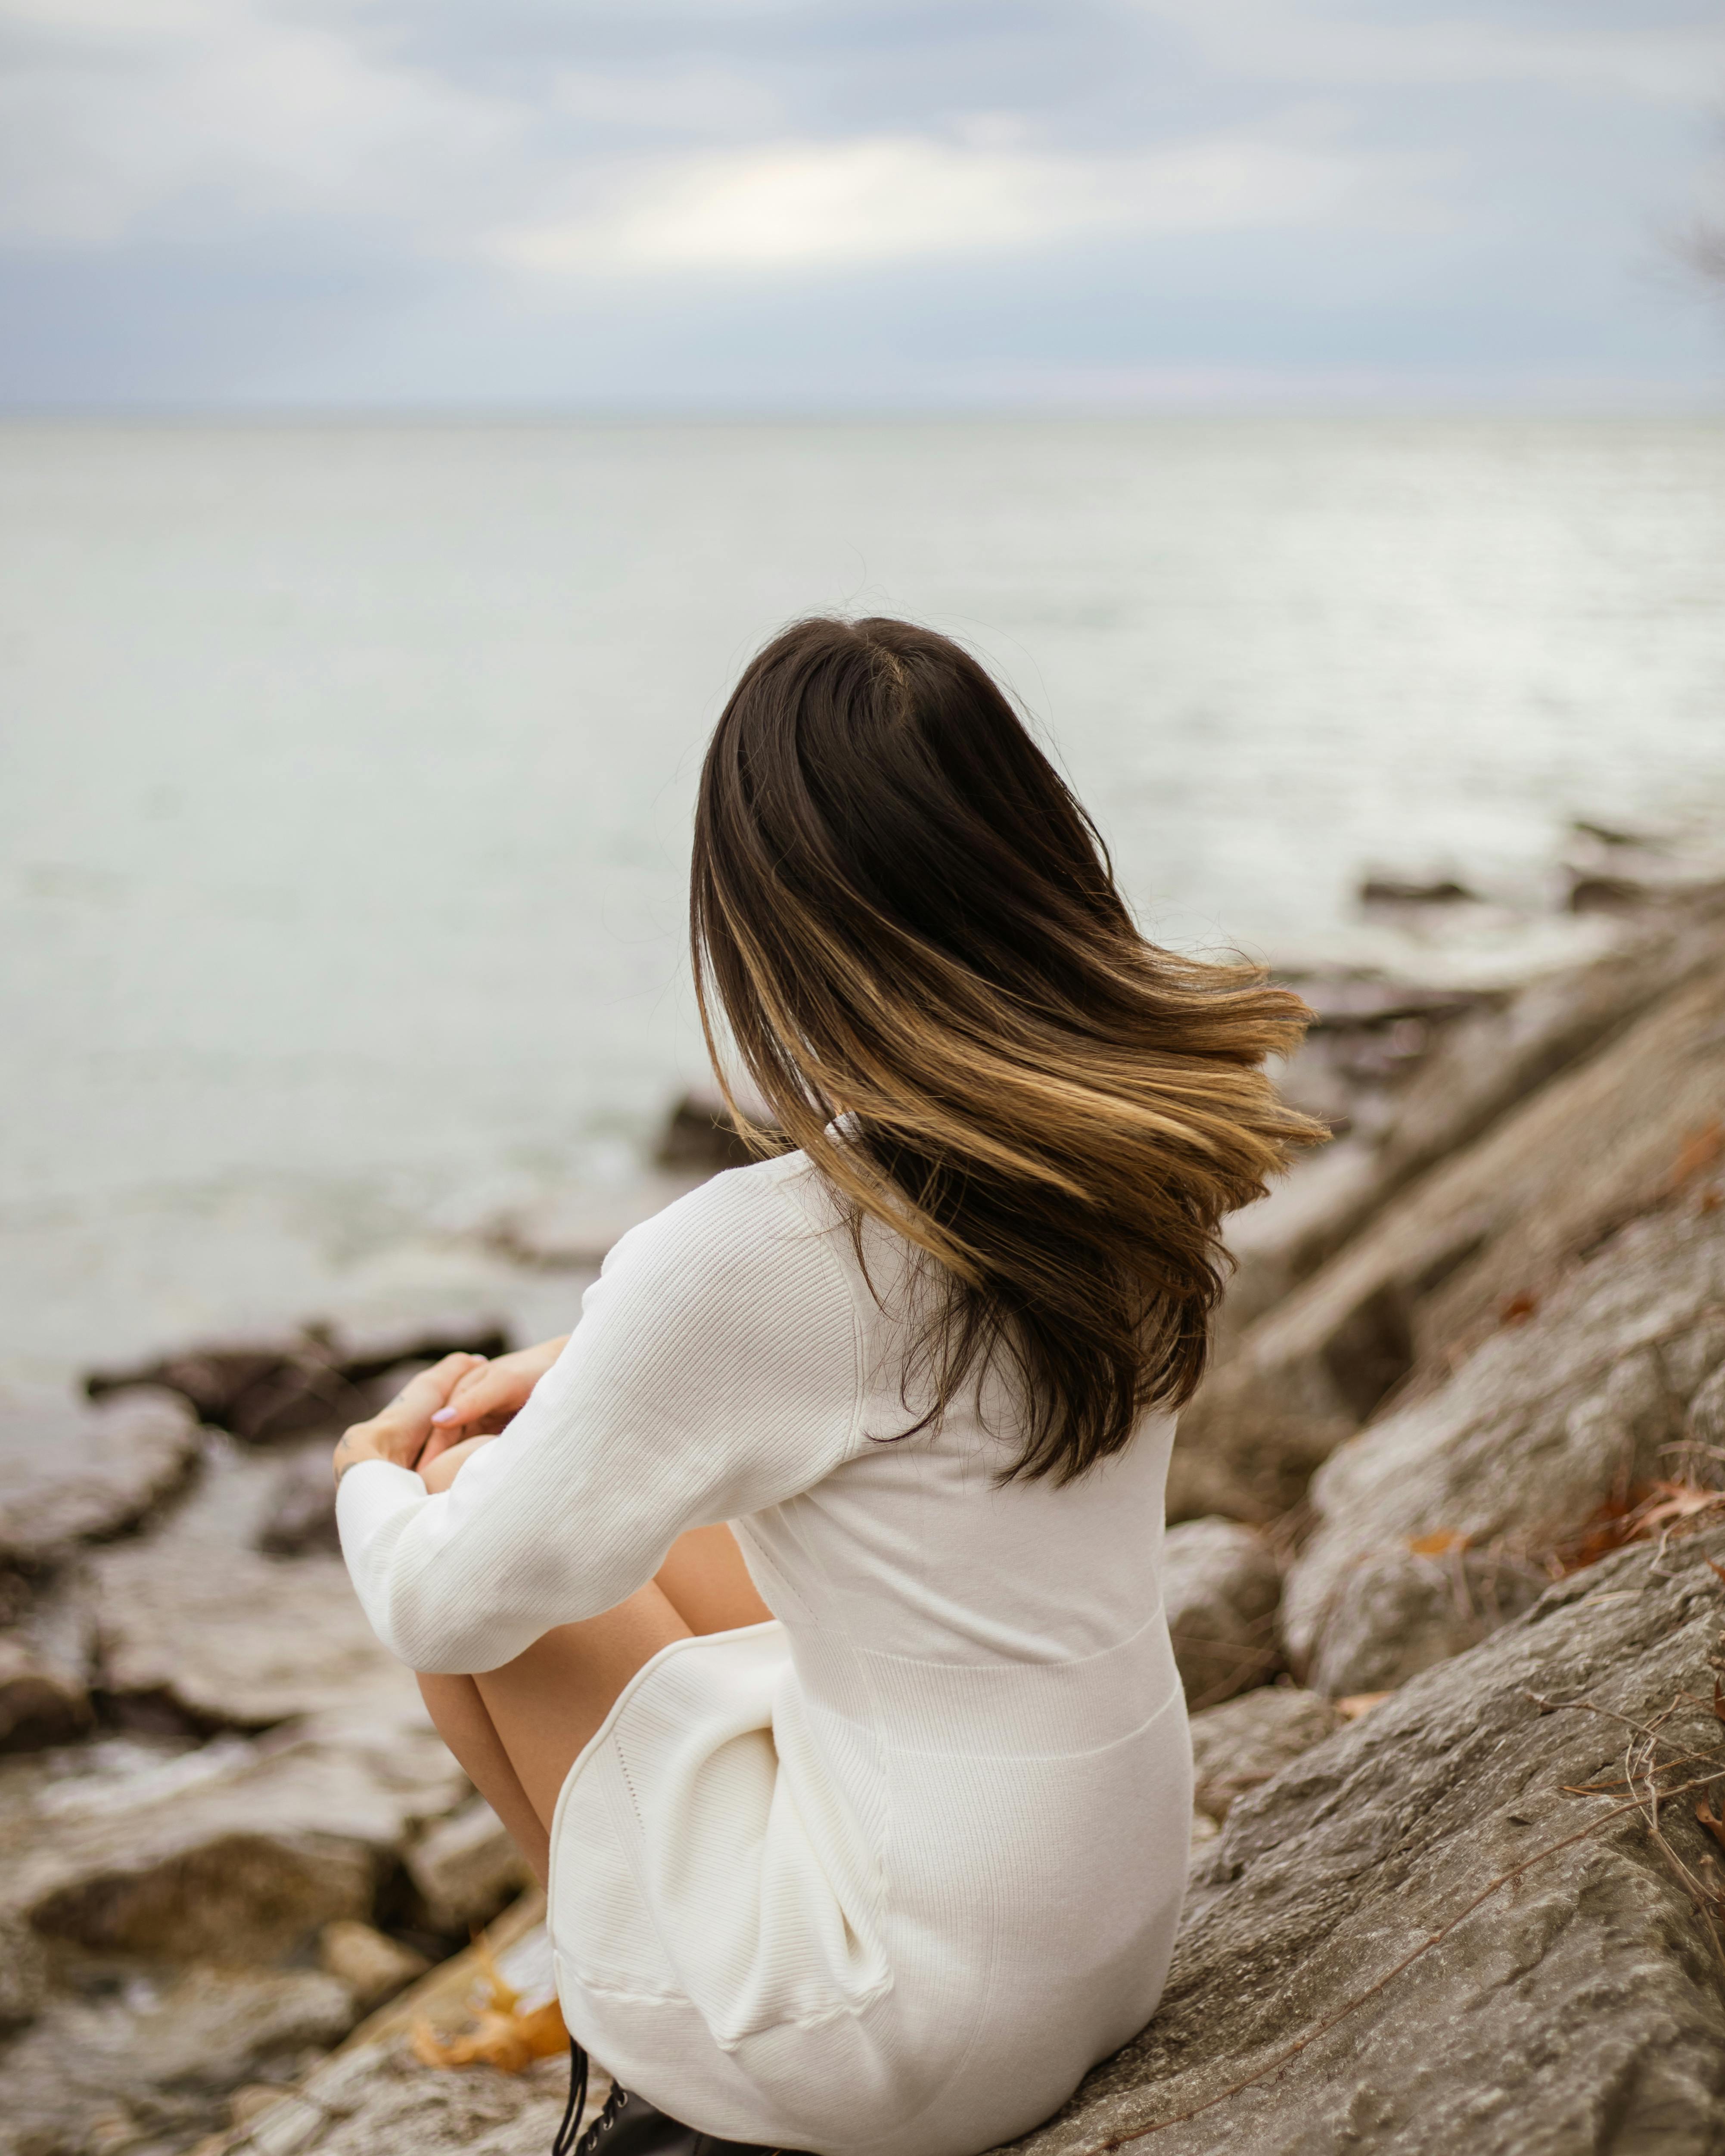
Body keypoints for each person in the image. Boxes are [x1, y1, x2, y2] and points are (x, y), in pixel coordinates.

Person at [333, 617, 1318, 2156]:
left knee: (468, 1526)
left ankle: (658, 2054)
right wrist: (583, 1373)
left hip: (915, 2034)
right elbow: (888, 1371)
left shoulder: (761, 1253)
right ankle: (659, 1995)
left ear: (765, 921)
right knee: (600, 1498)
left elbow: (448, 1606)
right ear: (1032, 856)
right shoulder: (1129, 1147)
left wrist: (367, 1475)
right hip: (1100, 1920)